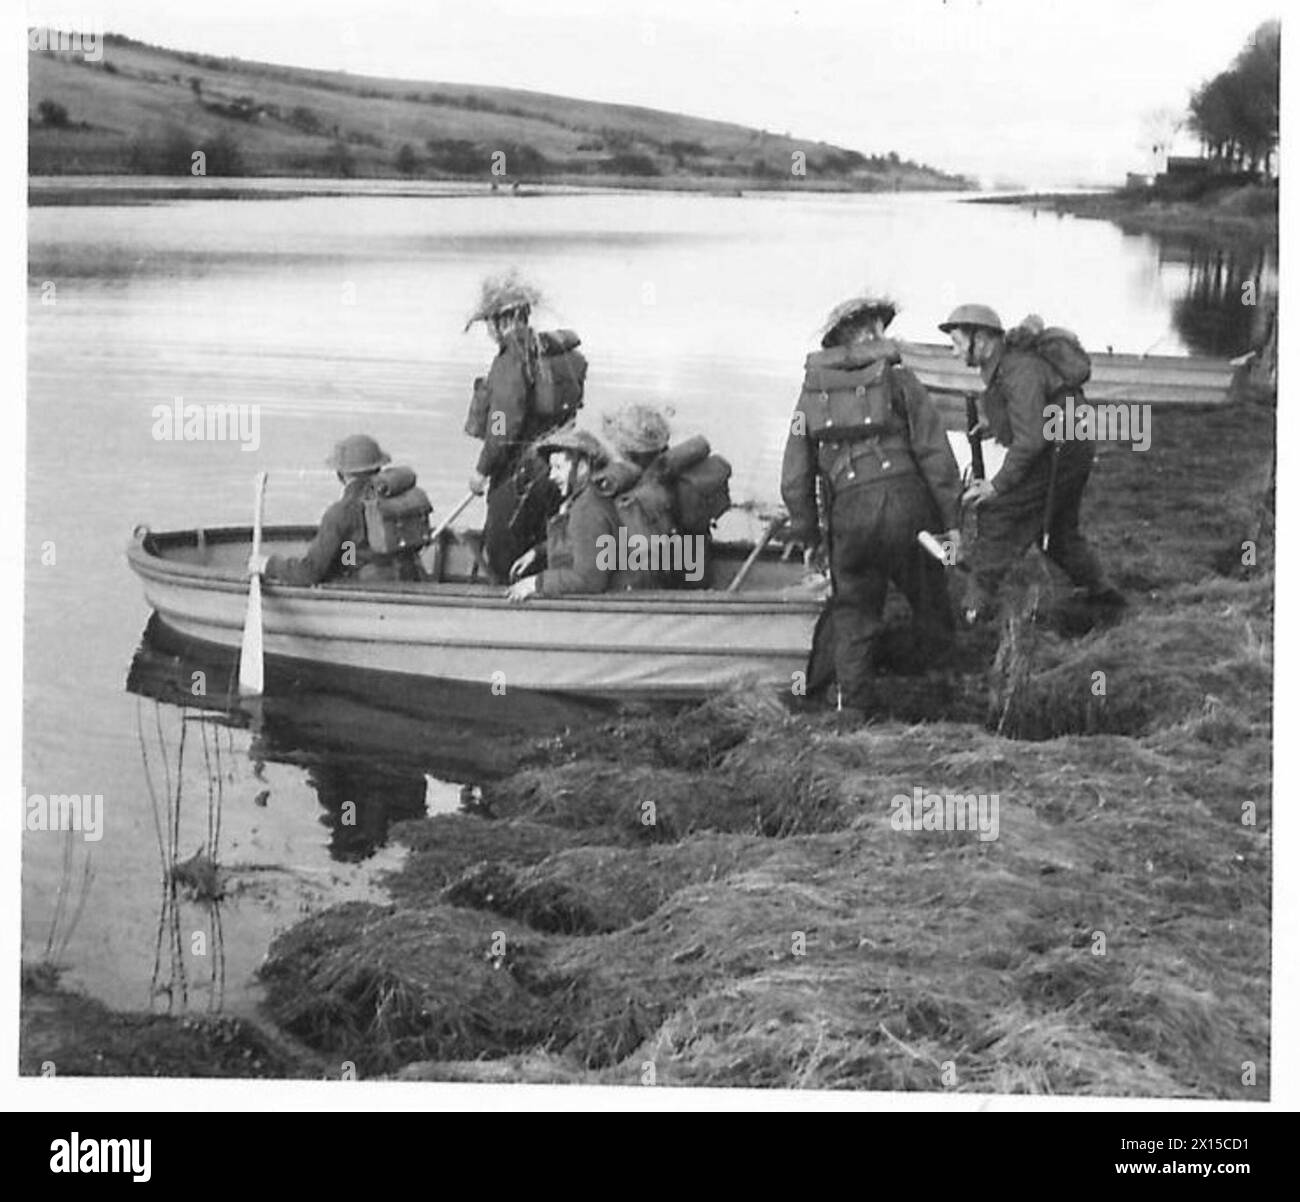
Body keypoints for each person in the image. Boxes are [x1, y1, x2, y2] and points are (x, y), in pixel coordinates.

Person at [781, 294, 963, 714]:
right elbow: (936, 455)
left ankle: (853, 710)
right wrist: (951, 522)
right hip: (909, 508)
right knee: (930, 596)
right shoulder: (903, 382)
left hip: (850, 518)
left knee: (855, 614)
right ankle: (941, 695)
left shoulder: (808, 398)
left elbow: (794, 476)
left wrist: (807, 534)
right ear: (876, 335)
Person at [938, 303, 1125, 621]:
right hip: (1069, 446)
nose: (955, 352)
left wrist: (997, 486)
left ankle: (974, 611)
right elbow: (1032, 416)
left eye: (957, 343)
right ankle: (1104, 595)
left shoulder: (1018, 370)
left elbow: (1030, 440)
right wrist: (994, 426)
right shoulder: (1008, 366)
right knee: (1058, 532)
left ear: (981, 339)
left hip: (1059, 452)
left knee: (1000, 515)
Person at [463, 271, 587, 583]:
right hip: (556, 470)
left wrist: (482, 469)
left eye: (490, 322)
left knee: (504, 550)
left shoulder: (510, 360)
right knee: (545, 541)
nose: (490, 330)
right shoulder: (549, 354)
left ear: (500, 321)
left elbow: (502, 423)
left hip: (517, 476)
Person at [505, 422, 676, 600]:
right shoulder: (601, 493)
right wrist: (539, 551)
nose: (551, 476)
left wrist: (535, 583)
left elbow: (588, 579)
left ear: (582, 465)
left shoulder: (587, 507)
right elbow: (589, 539)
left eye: (558, 467)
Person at [252, 435, 428, 585]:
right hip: (410, 578)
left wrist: (268, 565)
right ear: (378, 467)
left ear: (341, 474)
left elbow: (308, 572)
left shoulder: (341, 513)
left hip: (370, 587)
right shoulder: (396, 497)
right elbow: (352, 548)